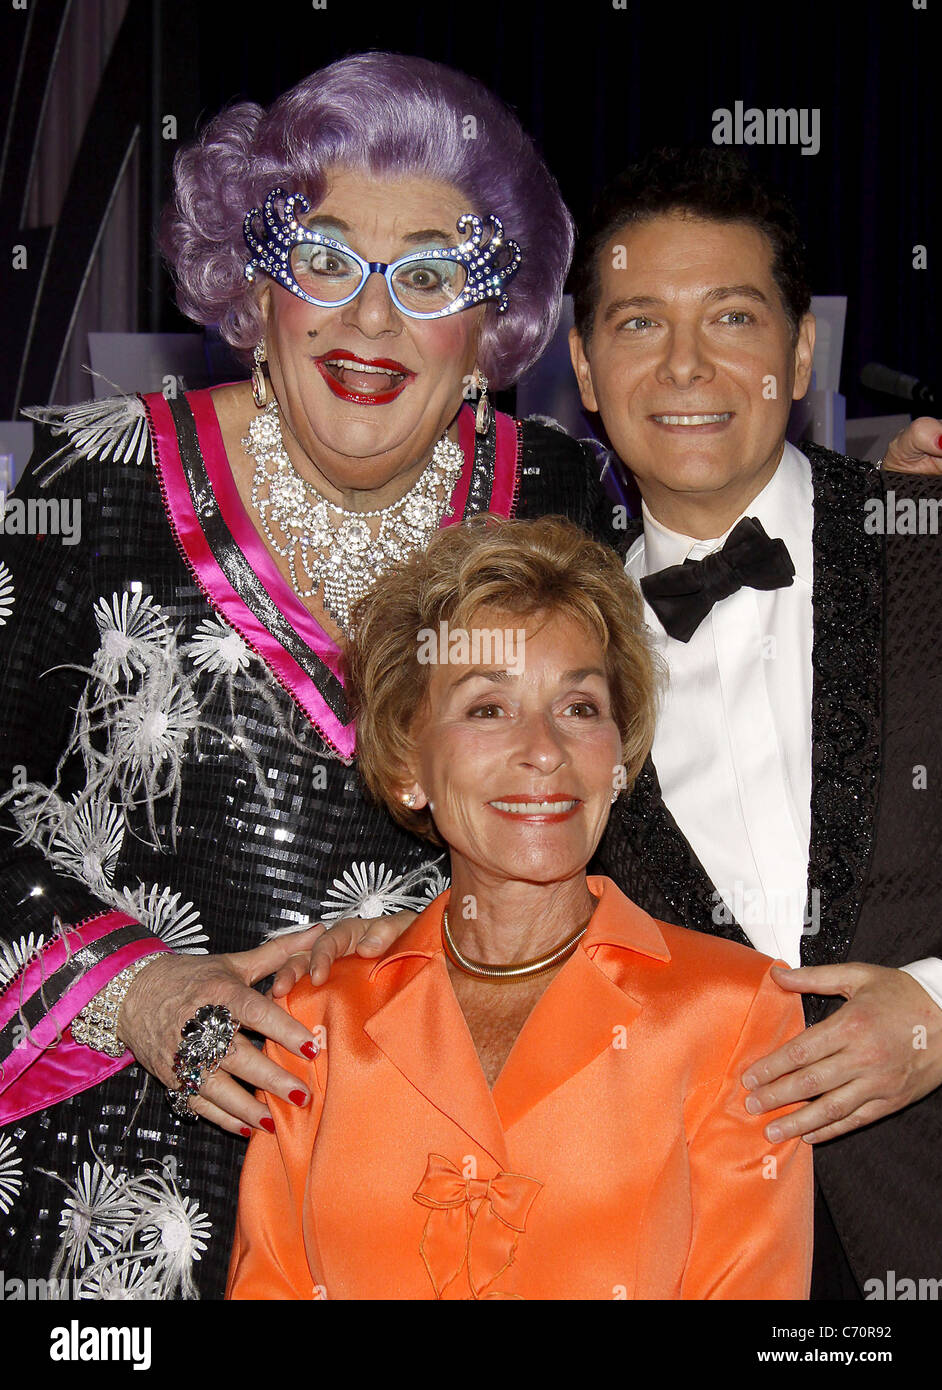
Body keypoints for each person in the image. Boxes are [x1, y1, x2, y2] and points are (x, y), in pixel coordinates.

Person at [0, 53, 612, 1300]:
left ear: (491, 328)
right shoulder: (97, 480)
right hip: (118, 1186)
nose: (371, 320)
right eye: (325, 259)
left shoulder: (555, 501)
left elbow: (637, 794)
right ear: (253, 283)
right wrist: (135, 987)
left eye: (429, 276)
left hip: (425, 1184)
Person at [227, 515, 813, 1300]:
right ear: (408, 765)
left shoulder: (736, 1012)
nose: (544, 750)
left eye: (579, 708)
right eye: (488, 709)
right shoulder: (316, 1016)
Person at [565, 147, 942, 1297]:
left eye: (731, 317)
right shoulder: (550, 638)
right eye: (638, 323)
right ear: (583, 367)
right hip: (693, 1252)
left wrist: (937, 1009)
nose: (685, 364)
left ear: (801, 352)